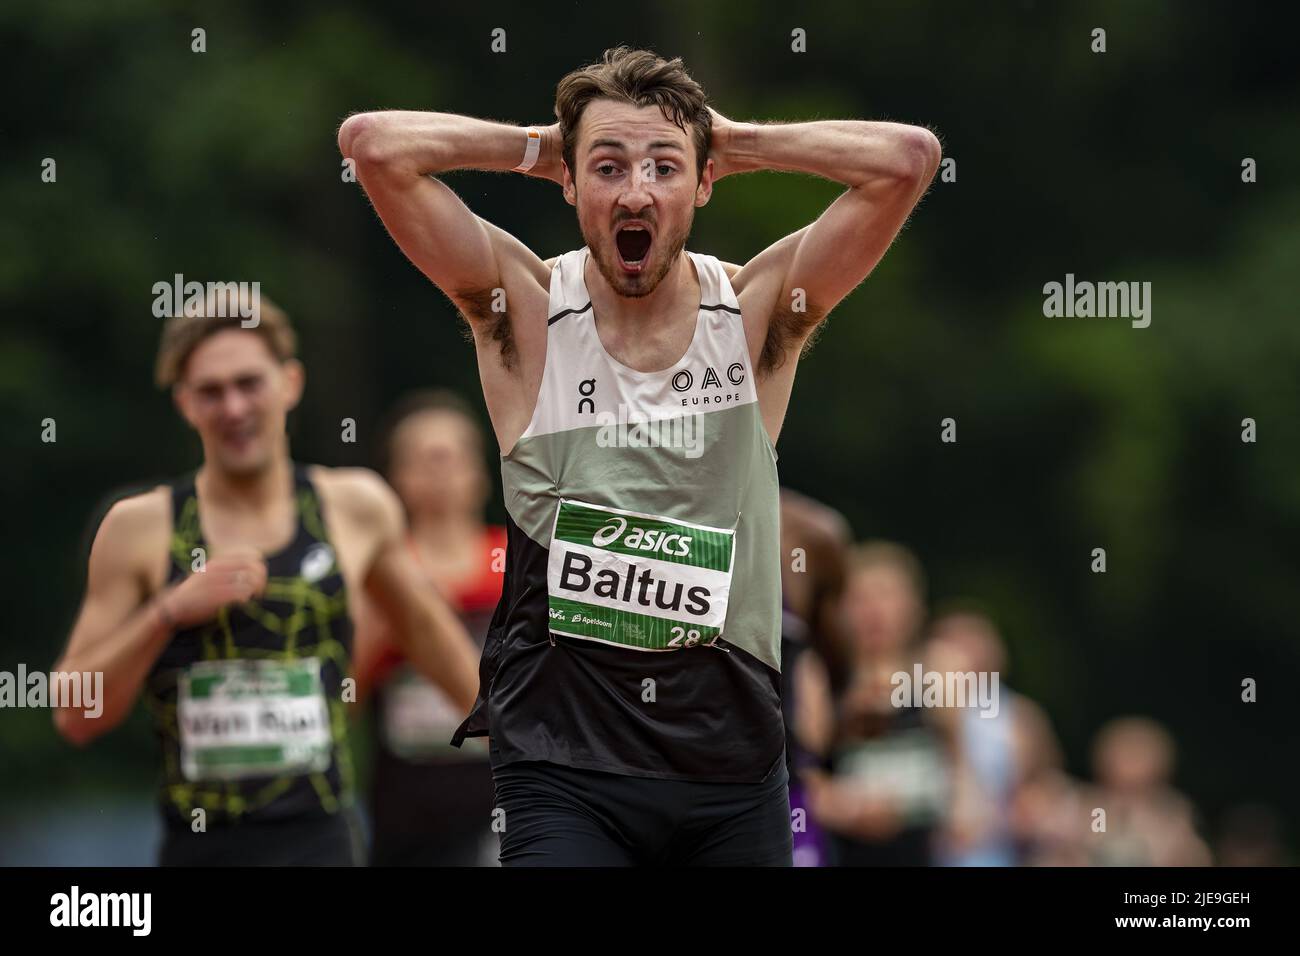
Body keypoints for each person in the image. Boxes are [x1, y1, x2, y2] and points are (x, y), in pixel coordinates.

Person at [340, 46, 940, 865]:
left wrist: (736, 143)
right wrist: (538, 146)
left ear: (701, 185)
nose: (635, 191)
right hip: (564, 767)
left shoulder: (757, 314)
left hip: (728, 768)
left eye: (664, 167)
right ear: (571, 184)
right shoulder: (524, 309)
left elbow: (909, 160)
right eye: (609, 166)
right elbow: (373, 144)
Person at [53, 293, 480, 866]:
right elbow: (75, 714)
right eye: (211, 391)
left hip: (320, 842)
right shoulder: (140, 528)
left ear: (290, 383)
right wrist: (169, 612)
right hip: (201, 847)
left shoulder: (356, 509)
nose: (233, 407)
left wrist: (572, 777)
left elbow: (459, 673)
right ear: (184, 403)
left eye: (249, 383)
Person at [354, 390, 505, 865]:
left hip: (509, 806)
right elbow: (338, 697)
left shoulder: (519, 564)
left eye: (451, 457)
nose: (439, 471)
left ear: (480, 473)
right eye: (423, 459)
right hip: (404, 816)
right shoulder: (373, 577)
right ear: (396, 479)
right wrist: (400, 610)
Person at [801, 542, 950, 866]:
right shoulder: (821, 677)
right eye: (861, 599)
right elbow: (801, 780)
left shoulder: (937, 675)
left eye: (886, 596)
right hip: (845, 852)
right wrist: (848, 807)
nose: (874, 611)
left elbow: (964, 774)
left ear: (913, 606)